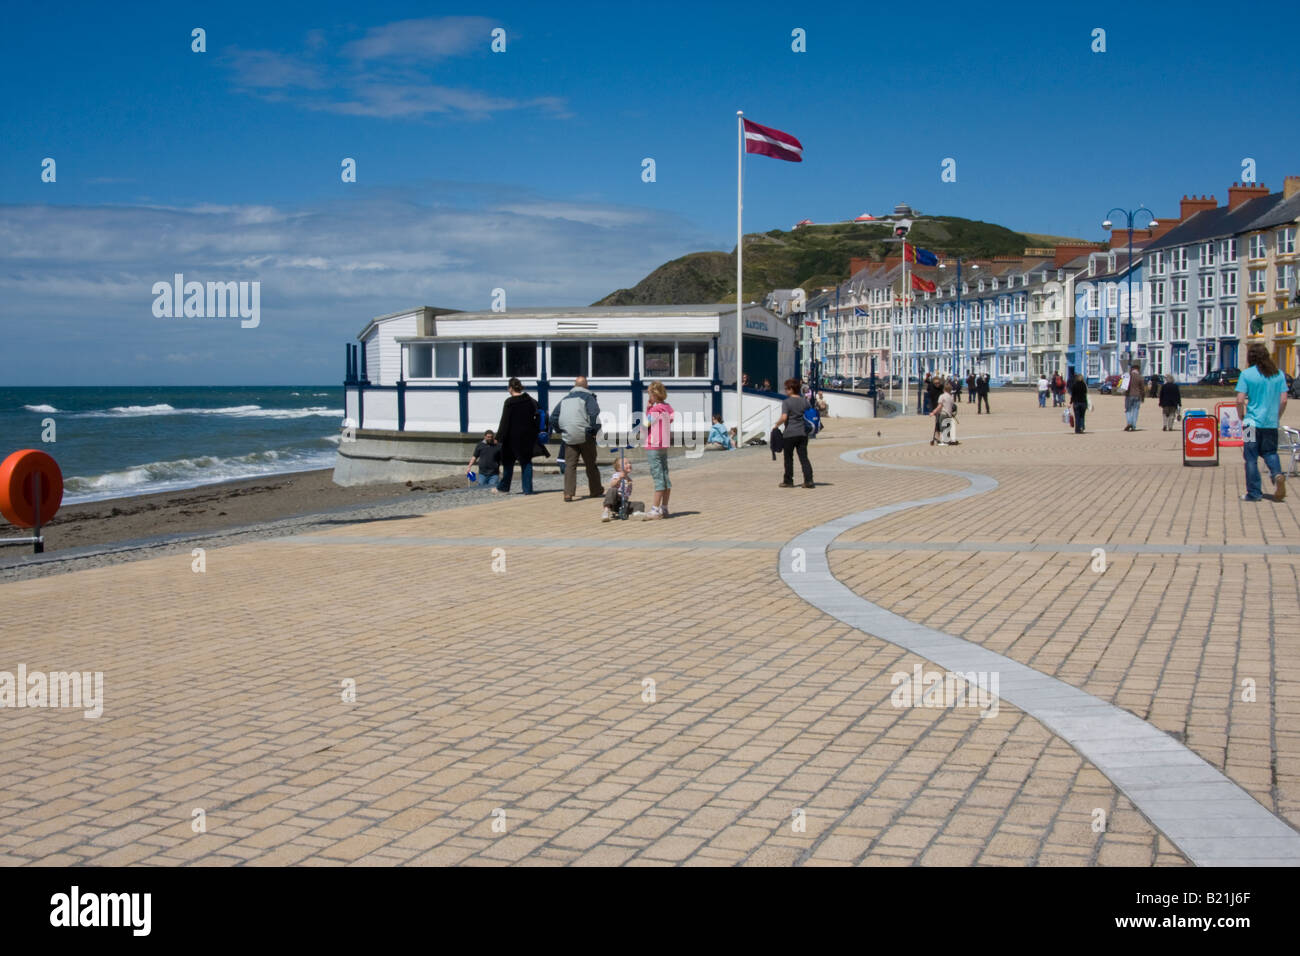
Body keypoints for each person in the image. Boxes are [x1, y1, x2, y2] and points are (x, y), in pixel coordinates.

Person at [1235, 342, 1289, 502]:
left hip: (1250, 424)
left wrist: (1241, 415)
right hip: (1270, 424)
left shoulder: (1247, 374)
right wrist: (1276, 416)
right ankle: (1277, 474)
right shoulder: (1278, 374)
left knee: (1250, 457)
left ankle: (1254, 493)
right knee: (1270, 452)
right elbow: (1284, 400)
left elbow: (1239, 400)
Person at [551, 375, 603, 502]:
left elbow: (553, 417)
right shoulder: (588, 397)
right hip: (585, 435)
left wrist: (561, 431)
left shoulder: (565, 399)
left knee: (570, 465)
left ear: (574, 385)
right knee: (590, 464)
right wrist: (594, 430)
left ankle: (568, 493)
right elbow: (594, 414)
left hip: (569, 436)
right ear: (586, 385)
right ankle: (595, 490)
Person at [495, 377, 545, 495]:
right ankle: (527, 489)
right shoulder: (530, 400)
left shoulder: (509, 402)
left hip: (511, 438)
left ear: (511, 388)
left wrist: (499, 437)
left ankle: (504, 488)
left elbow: (505, 421)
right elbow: (539, 415)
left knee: (508, 463)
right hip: (527, 437)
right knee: (526, 462)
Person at [642, 380, 674, 519]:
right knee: (665, 476)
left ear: (654, 395)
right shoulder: (668, 408)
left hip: (653, 445)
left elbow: (646, 424)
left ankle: (655, 509)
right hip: (663, 444)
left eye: (649, 393)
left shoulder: (655, 410)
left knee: (658, 477)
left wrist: (648, 409)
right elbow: (670, 419)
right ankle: (664, 508)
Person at [775, 378, 814, 488]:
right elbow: (809, 411)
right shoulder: (804, 401)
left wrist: (776, 425)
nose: (786, 390)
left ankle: (788, 481)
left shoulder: (787, 402)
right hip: (802, 433)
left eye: (787, 388)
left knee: (788, 458)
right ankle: (809, 480)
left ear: (792, 389)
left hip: (790, 433)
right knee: (803, 457)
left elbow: (784, 417)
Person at [601, 457, 634, 521]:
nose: (629, 464)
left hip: (623, 502)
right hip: (615, 500)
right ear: (619, 468)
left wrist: (629, 484)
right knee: (612, 490)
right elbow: (612, 485)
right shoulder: (617, 475)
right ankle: (606, 510)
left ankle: (637, 513)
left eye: (629, 463)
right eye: (626, 463)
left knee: (640, 504)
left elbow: (628, 494)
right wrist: (619, 478)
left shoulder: (629, 479)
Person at [1122, 363, 1144, 431]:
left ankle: (1129, 422)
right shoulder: (1140, 377)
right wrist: (1143, 397)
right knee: (1135, 410)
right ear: (1138, 370)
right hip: (1137, 395)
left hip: (1129, 395)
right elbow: (1142, 389)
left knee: (1128, 410)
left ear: (1132, 369)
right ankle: (1133, 425)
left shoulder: (1128, 376)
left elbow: (1124, 387)